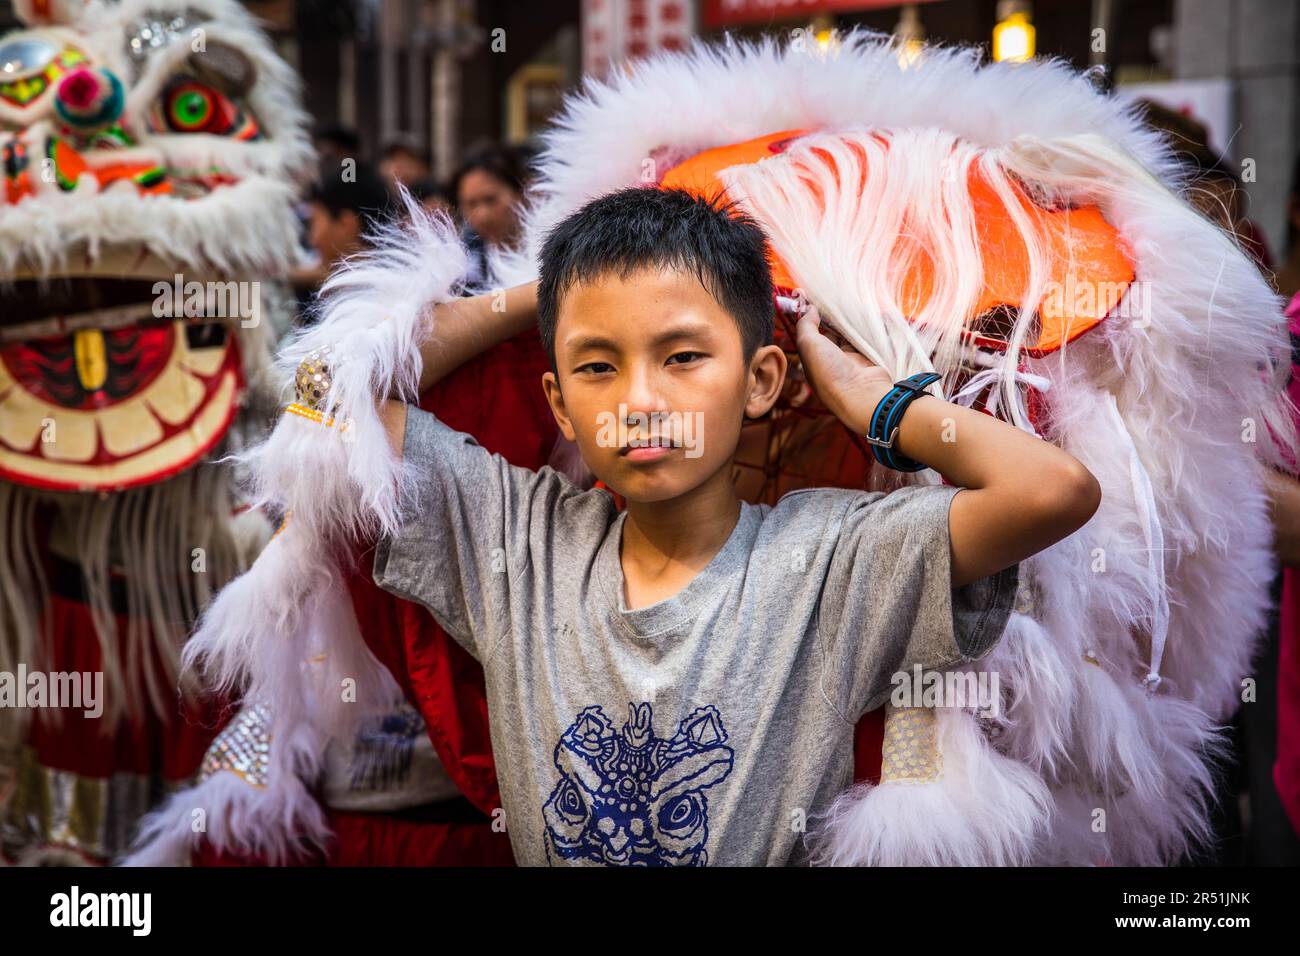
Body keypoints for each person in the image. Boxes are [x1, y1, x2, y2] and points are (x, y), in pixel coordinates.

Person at [367, 187, 1101, 866]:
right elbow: (330, 397)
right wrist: (556, 294)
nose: (642, 400)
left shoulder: (836, 560)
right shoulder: (515, 541)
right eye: (598, 366)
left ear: (761, 380)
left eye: (682, 356)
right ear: (558, 405)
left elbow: (1052, 489)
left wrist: (876, 403)